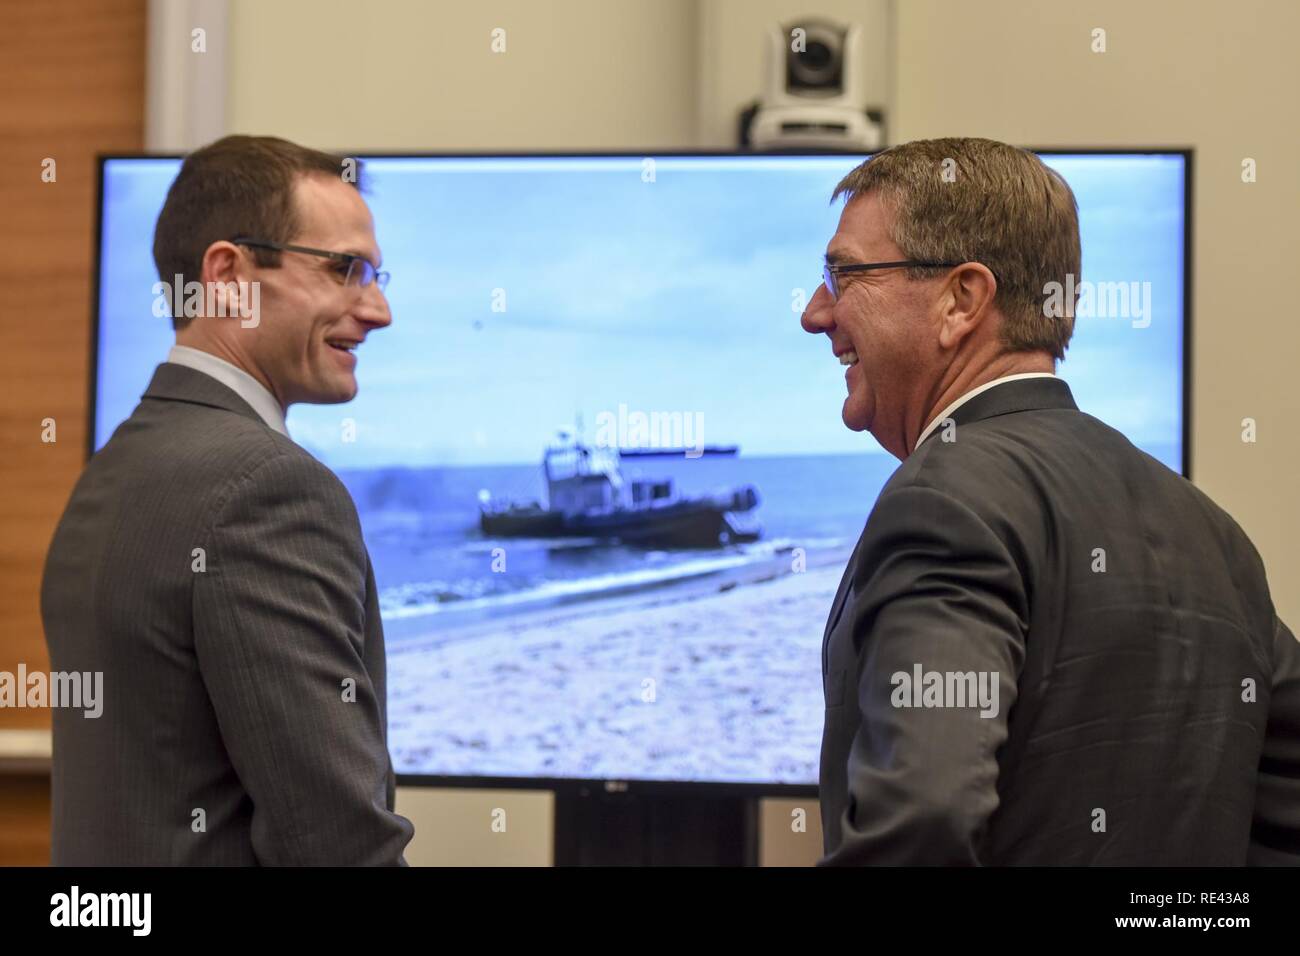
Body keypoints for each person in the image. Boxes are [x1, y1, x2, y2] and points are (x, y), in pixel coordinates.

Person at [801, 136, 1298, 865]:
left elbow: (925, 816)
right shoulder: (1212, 530)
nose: (816, 313)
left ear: (961, 300)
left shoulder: (945, 500)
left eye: (844, 275)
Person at [41, 135, 413, 864]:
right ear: (228, 274)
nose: (378, 309)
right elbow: (336, 842)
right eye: (347, 270)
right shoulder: (270, 490)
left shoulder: (115, 465)